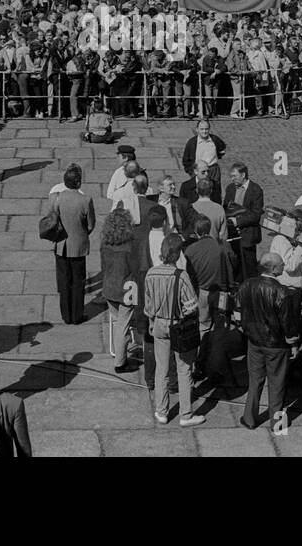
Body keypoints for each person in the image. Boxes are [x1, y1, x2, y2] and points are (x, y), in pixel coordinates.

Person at [143, 234, 205, 427]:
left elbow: (148, 305)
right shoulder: (182, 275)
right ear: (177, 253)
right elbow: (192, 305)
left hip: (158, 325)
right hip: (178, 325)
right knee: (184, 369)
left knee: (161, 369)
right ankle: (186, 415)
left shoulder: (151, 273)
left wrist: (153, 319)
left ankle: (161, 412)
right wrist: (181, 313)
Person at [237, 251, 299, 430]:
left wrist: (245, 329)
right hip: (276, 345)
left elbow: (237, 309)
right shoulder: (282, 292)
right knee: (277, 384)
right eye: (280, 264)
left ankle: (249, 419)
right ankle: (277, 423)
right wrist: (293, 344)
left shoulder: (247, 285)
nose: (284, 266)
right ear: (272, 268)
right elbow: (288, 325)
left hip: (254, 342)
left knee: (255, 381)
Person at [182, 213, 236, 387]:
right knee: (220, 333)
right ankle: (216, 370)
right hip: (222, 294)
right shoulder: (223, 245)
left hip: (202, 294)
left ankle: (199, 363)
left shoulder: (190, 250)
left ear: (196, 232)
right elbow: (234, 263)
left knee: (202, 328)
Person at [51, 163, 96, 324]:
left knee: (64, 282)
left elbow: (53, 219)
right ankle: (77, 315)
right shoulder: (86, 200)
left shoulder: (58, 197)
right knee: (78, 282)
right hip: (78, 246)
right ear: (78, 183)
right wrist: (82, 233)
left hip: (61, 246)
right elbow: (91, 225)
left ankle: (66, 315)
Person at [100, 208, 140, 373]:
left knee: (117, 322)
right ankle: (120, 363)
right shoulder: (131, 246)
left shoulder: (104, 244)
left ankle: (118, 349)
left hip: (109, 288)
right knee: (123, 325)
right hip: (126, 290)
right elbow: (136, 269)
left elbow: (103, 267)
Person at [223, 162, 265, 282]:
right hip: (232, 235)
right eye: (231, 176)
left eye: (234, 176)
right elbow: (225, 207)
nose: (232, 179)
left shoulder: (256, 190)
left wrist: (238, 221)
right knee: (235, 265)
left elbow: (256, 214)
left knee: (249, 267)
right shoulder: (230, 188)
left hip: (248, 236)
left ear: (243, 175)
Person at [181, 119, 226, 194]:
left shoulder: (215, 139)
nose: (204, 131)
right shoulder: (192, 142)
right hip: (199, 171)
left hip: (213, 171)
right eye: (202, 129)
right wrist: (191, 172)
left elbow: (222, 149)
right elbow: (186, 160)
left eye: (206, 129)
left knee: (215, 191)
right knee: (198, 191)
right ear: (197, 130)